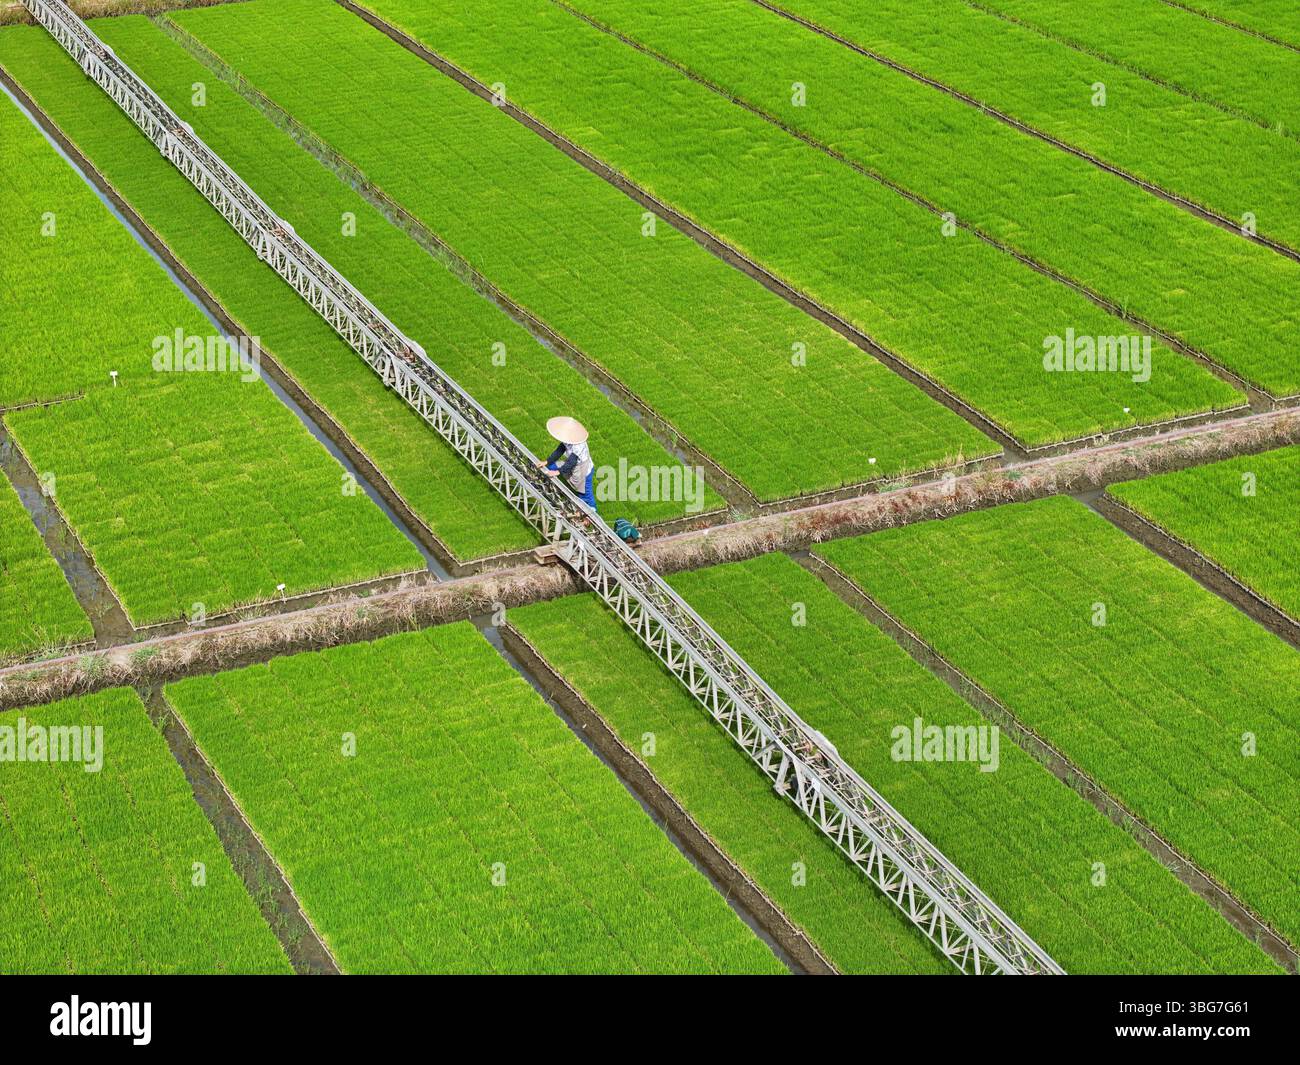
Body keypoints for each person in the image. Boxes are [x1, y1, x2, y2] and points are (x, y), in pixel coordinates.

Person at [538, 416, 597, 514]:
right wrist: (547, 462)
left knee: (584, 494)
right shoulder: (567, 438)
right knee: (551, 466)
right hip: (573, 464)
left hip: (583, 469)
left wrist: (558, 472)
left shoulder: (578, 445)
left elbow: (571, 462)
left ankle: (591, 515)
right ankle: (542, 482)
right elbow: (560, 450)